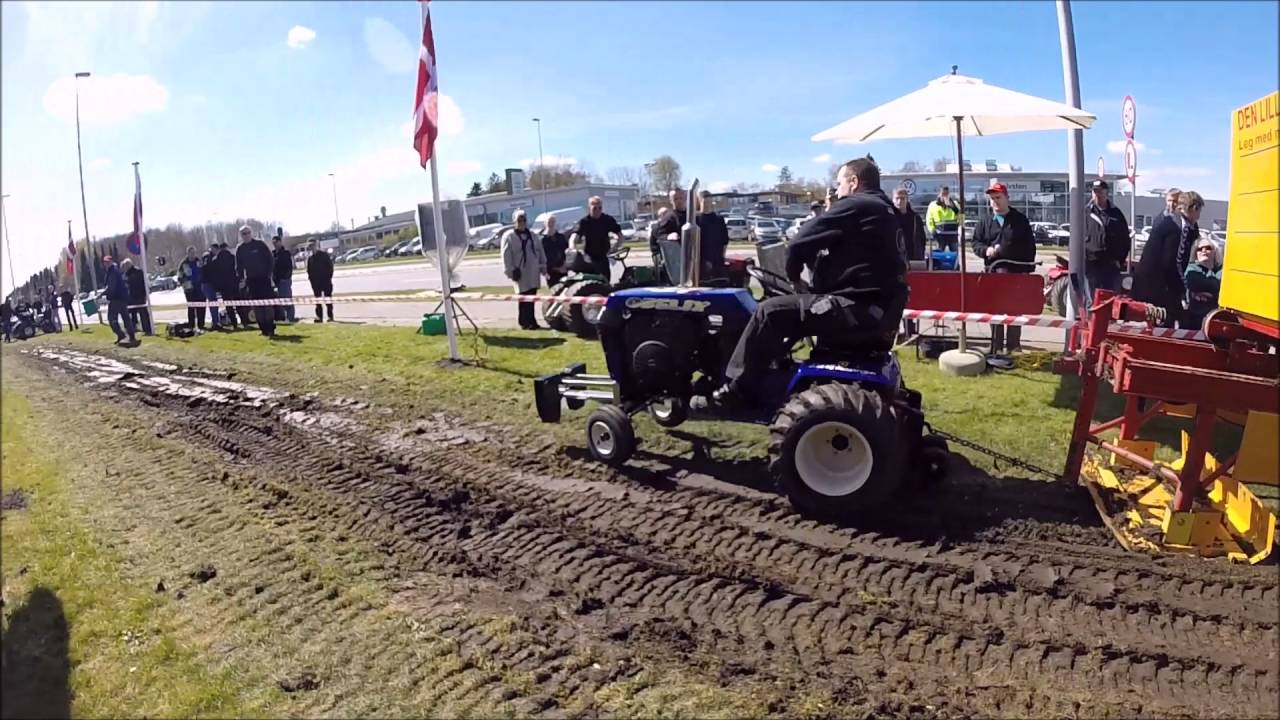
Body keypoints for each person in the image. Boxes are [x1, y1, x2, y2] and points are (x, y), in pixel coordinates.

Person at [700, 157, 908, 409]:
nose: (837, 190)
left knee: (769, 312)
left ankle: (736, 389)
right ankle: (770, 375)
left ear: (854, 182)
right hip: (876, 309)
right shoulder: (888, 211)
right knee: (788, 310)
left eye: (839, 183)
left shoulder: (856, 205)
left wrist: (793, 275)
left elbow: (800, 242)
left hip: (854, 308)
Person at [971, 182, 1036, 354]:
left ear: (1007, 198)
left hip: (1015, 274)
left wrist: (1025, 269)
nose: (995, 202)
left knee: (1015, 313)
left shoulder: (1020, 221)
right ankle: (996, 347)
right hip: (993, 275)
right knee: (995, 312)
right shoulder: (984, 222)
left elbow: (1030, 247)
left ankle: (1014, 347)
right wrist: (986, 250)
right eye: (992, 199)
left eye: (998, 198)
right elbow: (976, 243)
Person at [1133, 190, 1203, 328]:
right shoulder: (1176, 228)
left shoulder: (1172, 221)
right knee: (1169, 321)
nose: (1199, 216)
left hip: (1154, 282)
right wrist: (1184, 286)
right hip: (1157, 285)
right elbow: (1173, 262)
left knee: (1163, 321)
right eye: (1199, 211)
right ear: (1194, 208)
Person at [1083, 179, 1131, 296]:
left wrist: (1119, 260)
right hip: (1091, 264)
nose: (1097, 195)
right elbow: (1076, 237)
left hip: (1111, 265)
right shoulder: (1085, 213)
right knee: (1092, 298)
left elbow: (1125, 239)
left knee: (1109, 298)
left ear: (1106, 193)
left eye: (1100, 191)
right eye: (1095, 192)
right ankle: (1091, 314)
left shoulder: (1116, 213)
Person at [501, 209, 547, 330]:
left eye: (524, 220)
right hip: (520, 272)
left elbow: (540, 250)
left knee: (532, 297)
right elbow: (506, 255)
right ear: (515, 222)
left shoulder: (533, 235)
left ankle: (532, 320)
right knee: (523, 297)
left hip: (533, 271)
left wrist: (543, 265)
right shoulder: (509, 236)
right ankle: (524, 322)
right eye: (519, 220)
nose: (522, 223)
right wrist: (510, 271)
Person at [234, 226, 276, 338]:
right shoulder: (240, 249)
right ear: (241, 235)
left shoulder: (260, 244)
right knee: (257, 306)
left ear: (251, 233)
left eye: (248, 233)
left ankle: (270, 328)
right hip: (251, 281)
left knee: (267, 305)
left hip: (264, 279)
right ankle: (263, 329)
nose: (246, 235)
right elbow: (239, 266)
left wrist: (268, 274)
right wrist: (241, 279)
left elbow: (270, 259)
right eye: (243, 233)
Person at [571, 196, 623, 280]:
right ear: (589, 208)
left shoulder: (607, 219)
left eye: (600, 208)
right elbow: (573, 237)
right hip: (589, 257)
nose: (597, 210)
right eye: (594, 208)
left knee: (605, 281)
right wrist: (572, 248)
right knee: (592, 282)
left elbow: (620, 235)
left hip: (603, 256)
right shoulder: (584, 221)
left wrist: (616, 246)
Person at [1184, 237, 1223, 331]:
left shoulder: (1221, 270)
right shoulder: (1191, 268)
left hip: (1217, 320)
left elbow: (1222, 286)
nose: (1203, 251)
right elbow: (1194, 283)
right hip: (1194, 319)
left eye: (1208, 248)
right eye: (1199, 249)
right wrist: (1215, 293)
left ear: (1215, 252)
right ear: (1195, 253)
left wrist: (1209, 293)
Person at [695, 190, 729, 281]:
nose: (706, 204)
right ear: (699, 201)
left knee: (720, 282)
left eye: (708, 201)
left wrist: (722, 256)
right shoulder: (695, 219)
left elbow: (725, 240)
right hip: (701, 259)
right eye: (704, 201)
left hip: (717, 258)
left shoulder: (719, 219)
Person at [103, 256, 138, 345]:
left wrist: (102, 294)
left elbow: (111, 287)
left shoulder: (112, 272)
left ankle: (121, 334)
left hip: (116, 298)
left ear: (111, 262)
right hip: (122, 297)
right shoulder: (115, 271)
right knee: (126, 317)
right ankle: (131, 336)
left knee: (112, 318)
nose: (106, 264)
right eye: (105, 262)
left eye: (107, 262)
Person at [211, 242, 244, 329]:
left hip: (223, 286)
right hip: (234, 284)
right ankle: (243, 321)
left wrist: (217, 287)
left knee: (229, 305)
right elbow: (238, 269)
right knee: (238, 303)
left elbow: (214, 275)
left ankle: (234, 323)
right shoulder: (233, 257)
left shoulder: (215, 260)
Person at [892, 186, 926, 263]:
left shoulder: (915, 218)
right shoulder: (890, 217)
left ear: (907, 200)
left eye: (902, 198)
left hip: (913, 257)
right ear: (893, 200)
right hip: (895, 258)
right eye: (897, 198)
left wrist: (921, 255)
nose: (899, 201)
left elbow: (922, 239)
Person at [178, 245, 206, 331]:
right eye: (191, 253)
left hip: (200, 288)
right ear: (188, 253)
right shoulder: (183, 263)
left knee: (201, 307)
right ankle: (191, 325)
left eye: (194, 252)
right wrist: (184, 285)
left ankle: (201, 325)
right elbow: (179, 276)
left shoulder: (199, 261)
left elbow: (204, 271)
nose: (192, 254)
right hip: (189, 289)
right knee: (191, 308)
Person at [306, 241, 335, 322]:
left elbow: (330, 267)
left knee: (328, 299)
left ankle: (330, 316)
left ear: (316, 246)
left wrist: (328, 278)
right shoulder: (310, 258)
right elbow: (309, 271)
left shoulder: (324, 255)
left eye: (313, 245)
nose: (312, 248)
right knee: (318, 301)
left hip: (326, 282)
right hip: (316, 284)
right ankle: (319, 316)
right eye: (310, 246)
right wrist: (311, 281)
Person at [925, 186, 961, 251]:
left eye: (947, 194)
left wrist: (954, 208)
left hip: (952, 235)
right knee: (940, 255)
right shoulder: (933, 205)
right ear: (939, 194)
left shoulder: (955, 204)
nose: (945, 196)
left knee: (954, 256)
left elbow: (961, 217)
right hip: (940, 235)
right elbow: (929, 219)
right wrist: (932, 230)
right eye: (943, 194)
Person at [271, 230, 296, 323]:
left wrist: (286, 277)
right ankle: (284, 317)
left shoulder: (285, 253)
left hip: (284, 280)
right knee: (280, 301)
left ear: (280, 242)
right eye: (273, 243)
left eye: (276, 242)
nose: (275, 244)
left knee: (287, 299)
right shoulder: (273, 254)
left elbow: (289, 266)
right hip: (276, 280)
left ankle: (291, 317)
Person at [124, 262, 153, 336]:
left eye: (125, 266)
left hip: (138, 295)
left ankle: (146, 329)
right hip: (134, 296)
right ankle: (135, 328)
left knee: (142, 313)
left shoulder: (136, 272)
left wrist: (145, 293)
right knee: (133, 313)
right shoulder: (129, 273)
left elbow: (142, 283)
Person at [198, 245, 223, 330]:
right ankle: (216, 323)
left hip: (204, 283)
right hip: (208, 283)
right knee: (213, 303)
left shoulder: (205, 256)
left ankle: (215, 322)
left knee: (213, 303)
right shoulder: (211, 258)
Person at [541, 215, 569, 286]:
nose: (551, 224)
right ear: (545, 223)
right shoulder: (542, 239)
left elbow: (567, 251)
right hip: (550, 271)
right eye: (549, 222)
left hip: (563, 270)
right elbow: (541, 257)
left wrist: (565, 265)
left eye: (553, 222)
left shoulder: (561, 237)